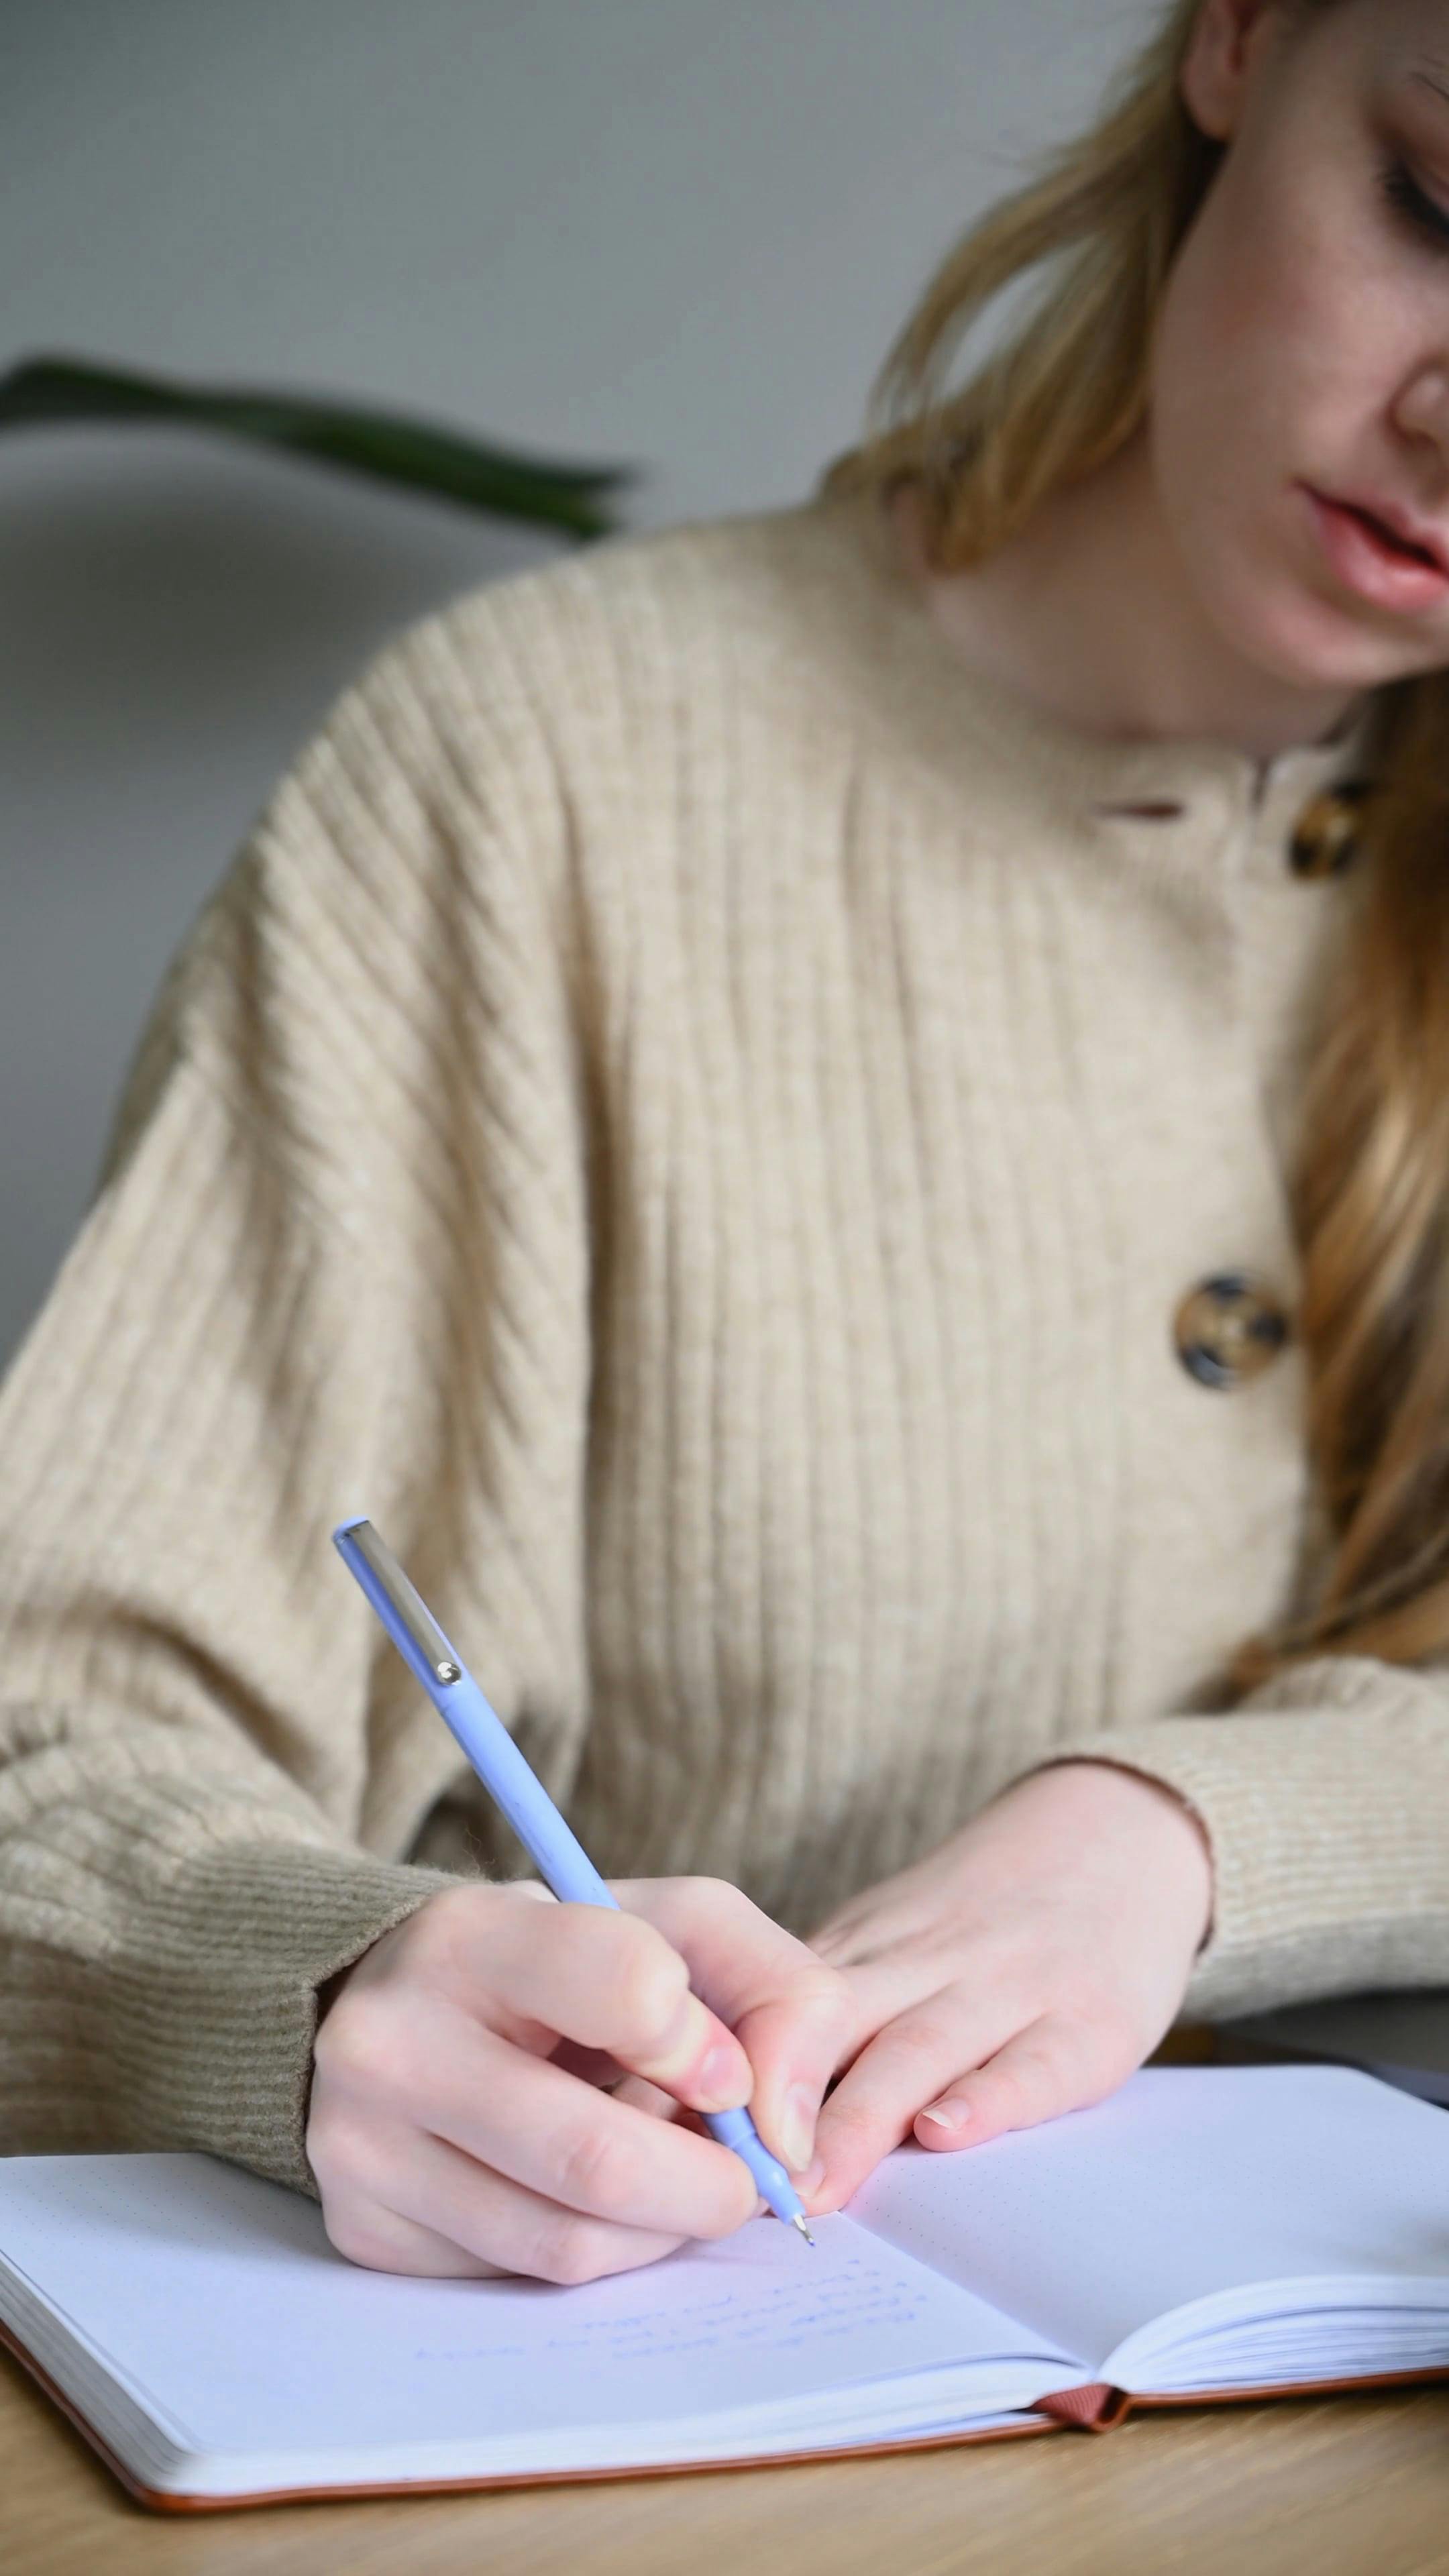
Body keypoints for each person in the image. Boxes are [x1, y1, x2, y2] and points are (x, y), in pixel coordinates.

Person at [5, 0, 1449, 2289]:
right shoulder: (539, 786)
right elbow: (46, 1743)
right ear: (1244, 43)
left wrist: (1183, 1838)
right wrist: (305, 1994)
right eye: (1437, 207)